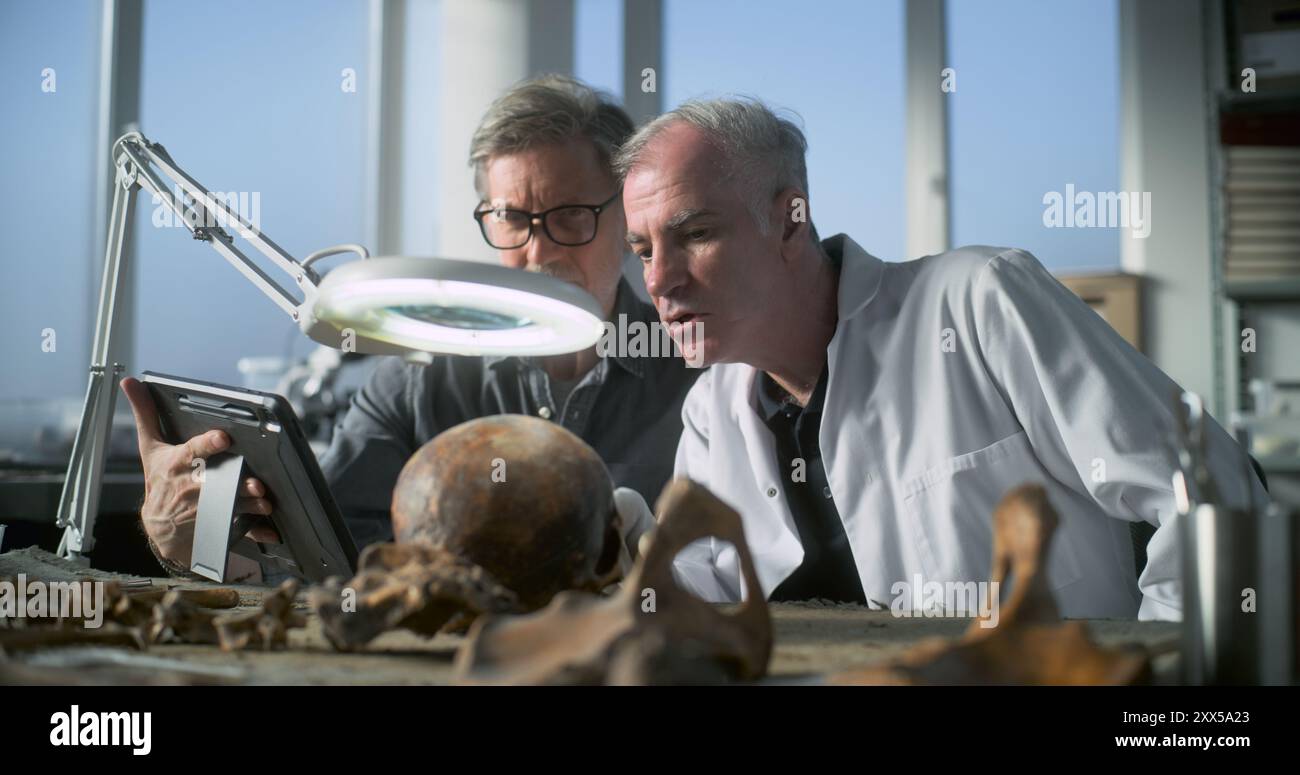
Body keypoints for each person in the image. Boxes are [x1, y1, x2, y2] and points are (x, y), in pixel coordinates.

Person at [614, 97, 1265, 620]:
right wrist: (624, 538)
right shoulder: (712, 409)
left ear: (790, 220)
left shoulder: (980, 300)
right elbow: (710, 590)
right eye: (642, 249)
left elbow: (1215, 498)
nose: (659, 281)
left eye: (695, 234)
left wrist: (1158, 680)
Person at [124, 75, 699, 580]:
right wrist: (183, 543)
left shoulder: (701, 370)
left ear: (625, 215)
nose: (538, 252)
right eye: (512, 219)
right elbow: (319, 565)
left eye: (571, 215)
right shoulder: (419, 377)